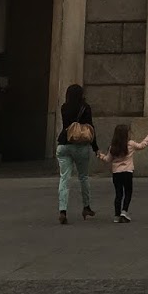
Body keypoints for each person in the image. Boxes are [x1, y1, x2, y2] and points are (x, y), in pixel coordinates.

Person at [55, 83, 96, 225]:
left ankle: (62, 210)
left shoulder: (64, 107)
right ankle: (86, 206)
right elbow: (90, 128)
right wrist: (95, 147)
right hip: (81, 145)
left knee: (64, 178)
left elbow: (66, 125)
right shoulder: (86, 107)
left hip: (64, 144)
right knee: (83, 177)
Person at [97, 124, 148, 223]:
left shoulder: (113, 147)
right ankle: (124, 211)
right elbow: (142, 145)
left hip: (116, 173)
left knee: (118, 194)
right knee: (128, 192)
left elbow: (107, 159)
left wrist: (100, 155)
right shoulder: (131, 144)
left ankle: (116, 215)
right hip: (127, 172)